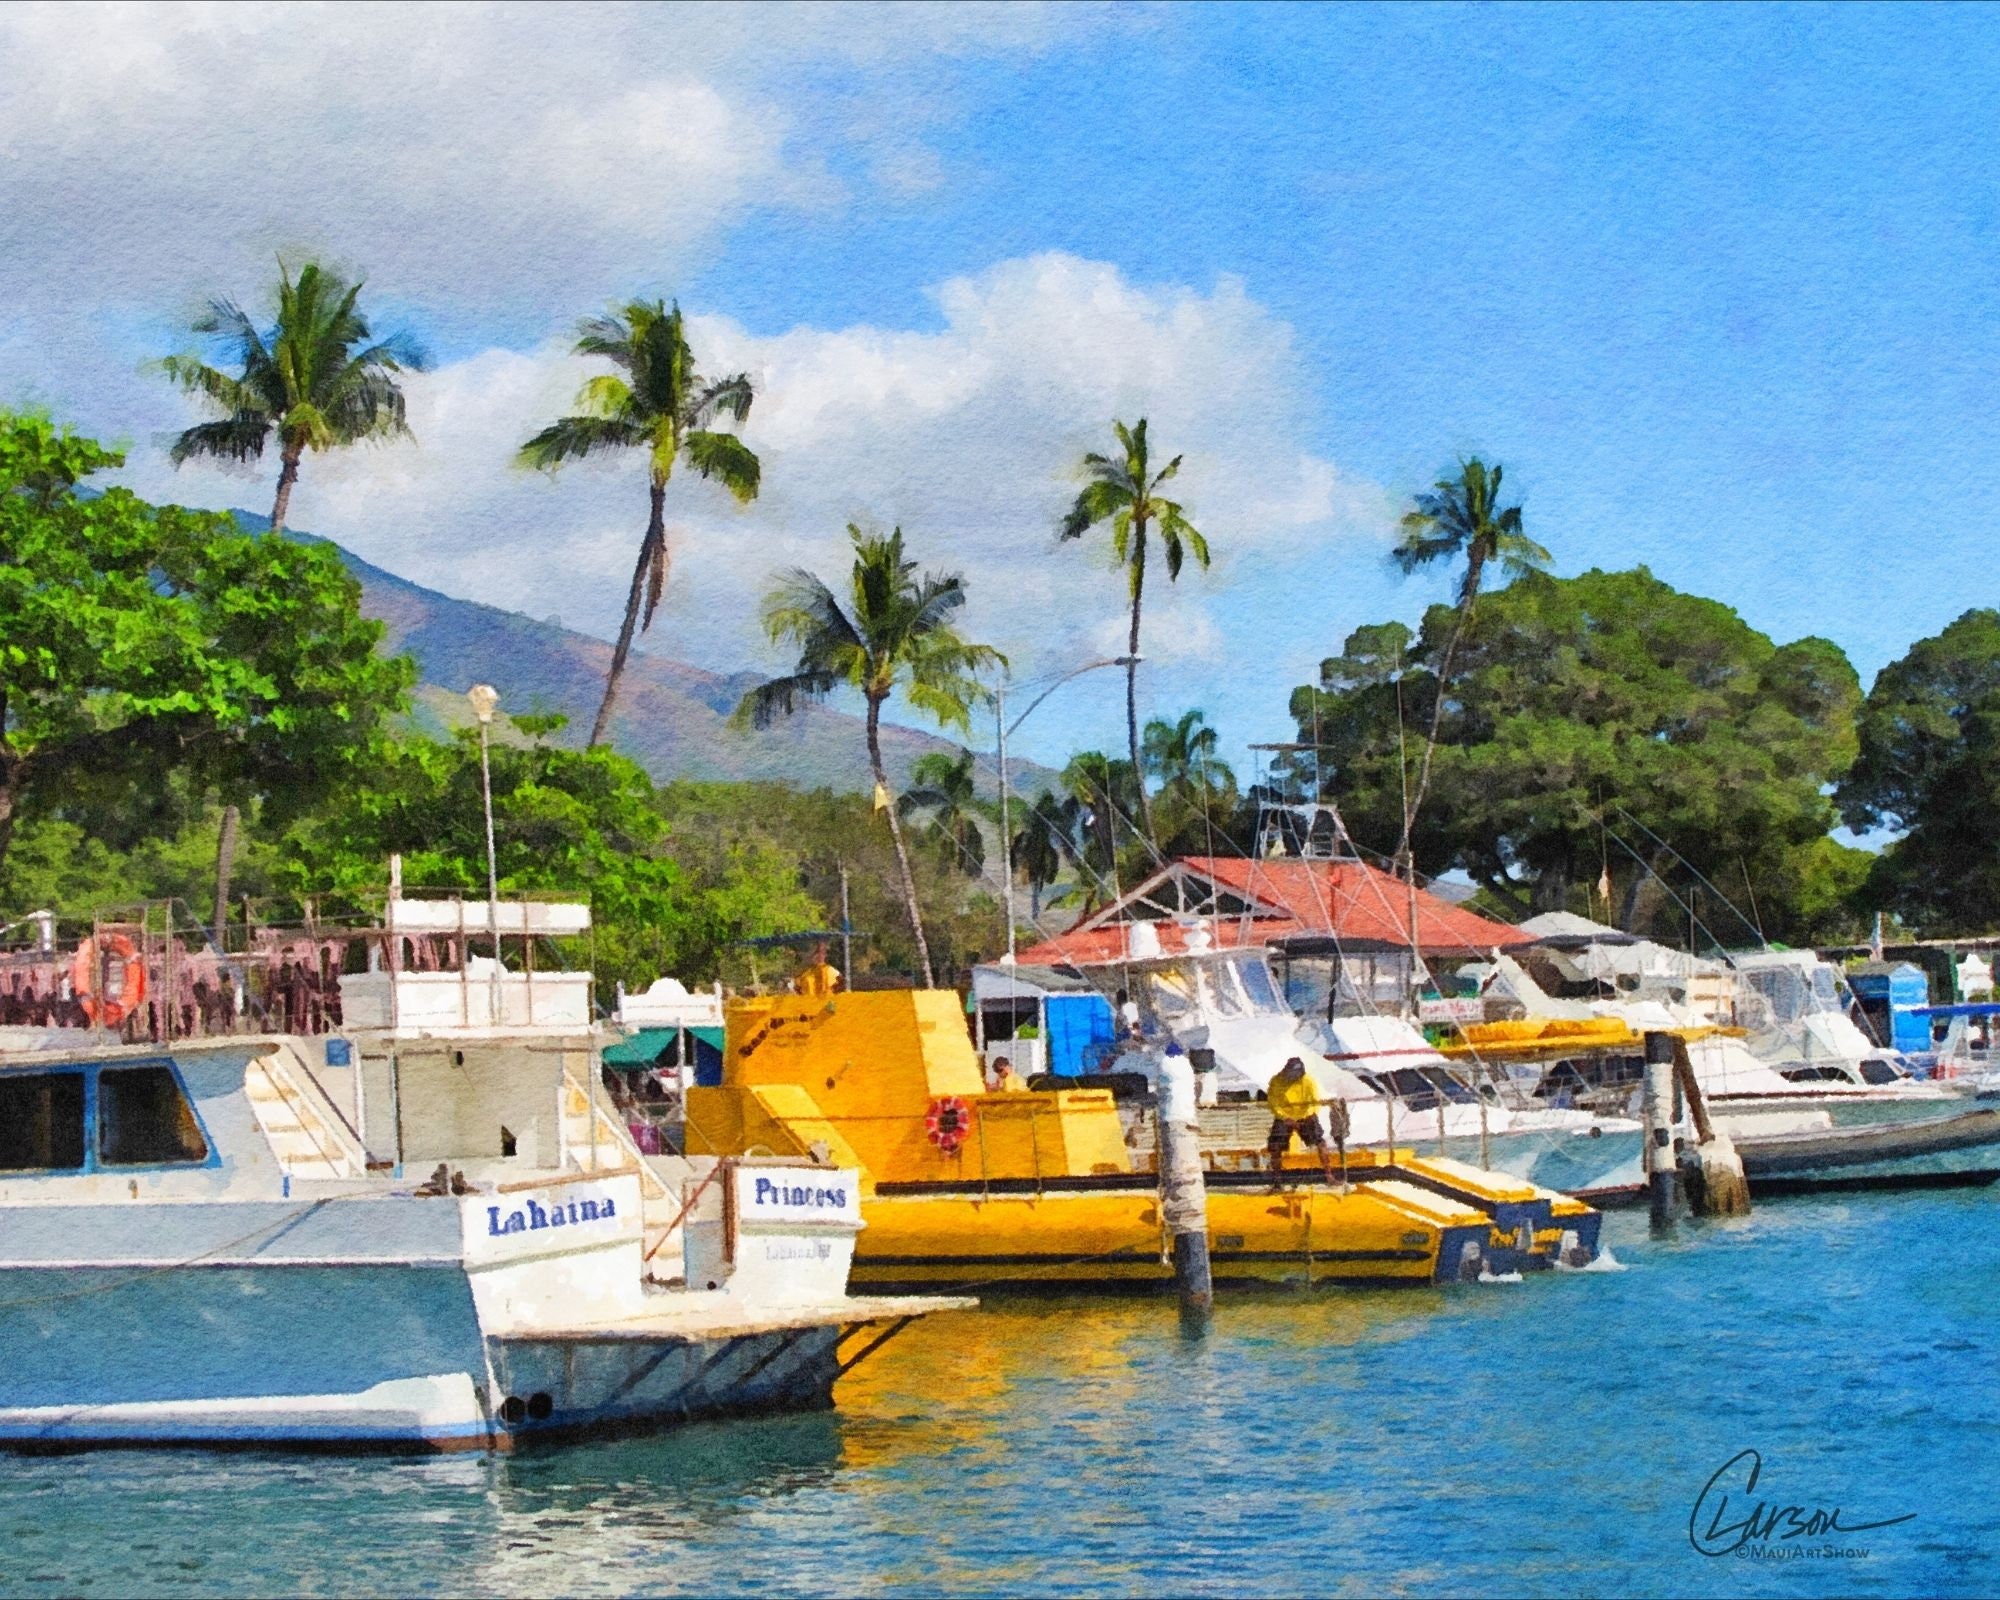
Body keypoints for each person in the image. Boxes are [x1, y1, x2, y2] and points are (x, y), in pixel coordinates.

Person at [1266, 1055, 1334, 1187]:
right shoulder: (1276, 1081)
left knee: (1321, 1143)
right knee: (1275, 1146)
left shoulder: (1308, 1080)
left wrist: (1305, 1118)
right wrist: (1285, 1118)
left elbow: (1314, 1102)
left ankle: (1329, 1177)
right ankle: (1277, 1182)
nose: (1294, 1077)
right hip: (1284, 1117)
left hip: (1305, 1116)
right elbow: (1273, 1103)